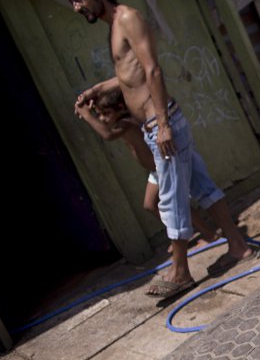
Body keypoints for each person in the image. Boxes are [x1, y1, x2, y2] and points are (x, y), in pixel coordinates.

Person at [58, 0, 252, 299]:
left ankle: (180, 272)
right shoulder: (113, 26)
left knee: (170, 199)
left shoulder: (127, 18)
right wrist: (98, 89)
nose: (77, 7)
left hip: (162, 124)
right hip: (157, 125)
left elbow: (153, 70)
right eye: (72, 2)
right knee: (202, 187)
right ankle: (238, 246)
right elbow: (129, 74)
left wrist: (162, 124)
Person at [74, 87, 218, 247]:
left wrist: (87, 115)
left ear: (120, 108)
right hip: (155, 171)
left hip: (161, 168)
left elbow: (108, 135)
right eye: (98, 114)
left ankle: (207, 234)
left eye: (105, 114)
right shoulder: (122, 121)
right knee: (151, 205)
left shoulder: (126, 123)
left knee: (174, 205)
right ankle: (183, 236)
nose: (102, 119)